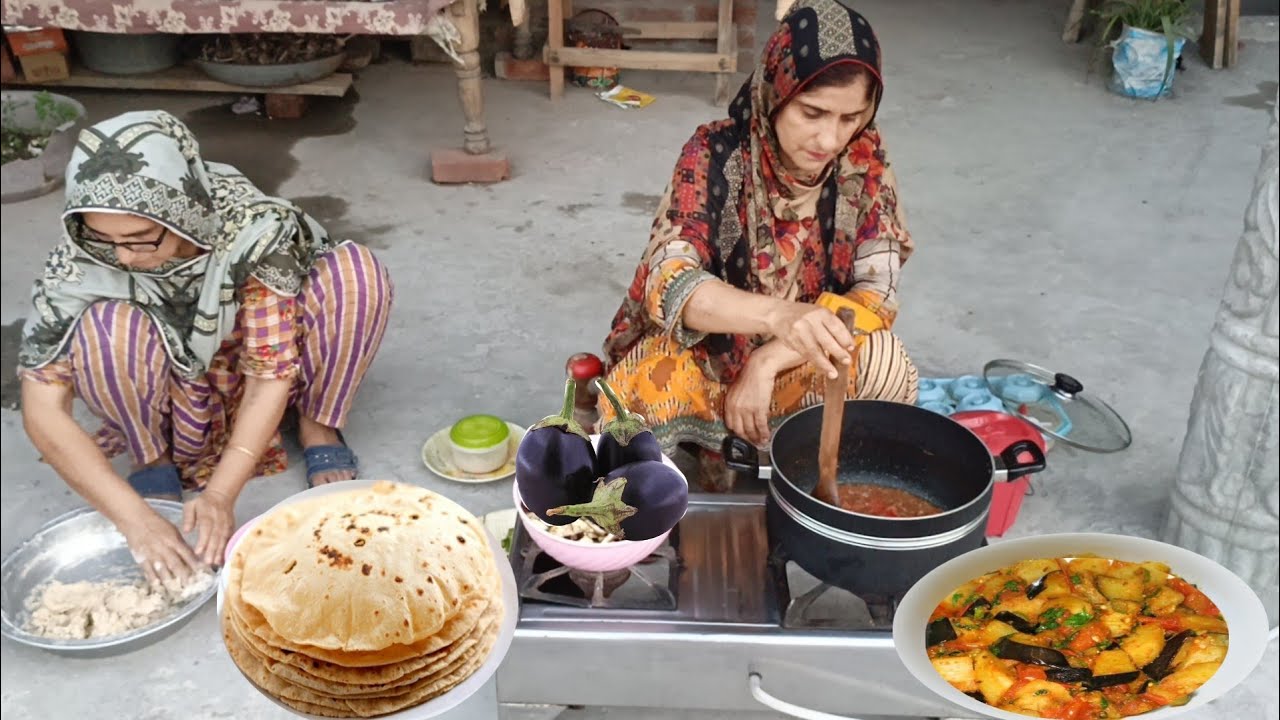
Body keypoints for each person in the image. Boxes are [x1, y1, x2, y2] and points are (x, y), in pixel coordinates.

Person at [17, 110, 393, 582]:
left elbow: (270, 370)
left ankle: (316, 426)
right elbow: (42, 405)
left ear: (184, 216)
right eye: (104, 239)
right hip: (173, 379)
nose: (124, 258)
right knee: (106, 326)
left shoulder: (253, 227)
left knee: (354, 274)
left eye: (140, 239)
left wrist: (219, 495)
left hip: (265, 360)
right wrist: (134, 519)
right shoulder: (80, 252)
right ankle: (152, 454)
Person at [597, 0, 919, 491]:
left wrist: (770, 358)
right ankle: (659, 497)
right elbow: (671, 279)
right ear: (776, 92)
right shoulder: (715, 152)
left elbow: (876, 295)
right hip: (709, 356)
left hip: (795, 361)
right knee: (635, 395)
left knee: (884, 365)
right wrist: (777, 316)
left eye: (851, 116)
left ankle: (812, 481)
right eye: (812, 112)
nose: (830, 138)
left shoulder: (864, 158)